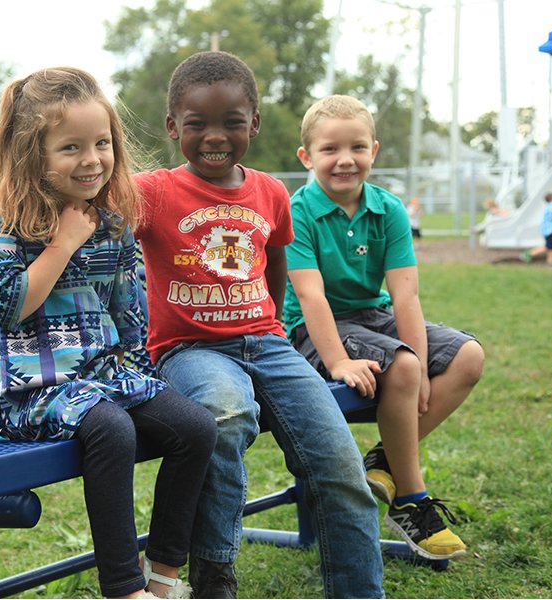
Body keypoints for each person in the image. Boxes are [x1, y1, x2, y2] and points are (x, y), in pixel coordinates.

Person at [0, 67, 217, 600]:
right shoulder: (11, 220)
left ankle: (162, 577)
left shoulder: (112, 220)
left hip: (102, 375)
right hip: (32, 389)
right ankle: (123, 588)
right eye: (71, 147)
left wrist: (143, 377)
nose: (92, 159)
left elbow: (126, 311)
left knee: (196, 428)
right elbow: (3, 310)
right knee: (111, 430)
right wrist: (63, 244)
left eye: (102, 143)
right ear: (33, 155)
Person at [134, 51, 384, 599]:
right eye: (197, 124)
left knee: (340, 464)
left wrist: (262, 326)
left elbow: (273, 267)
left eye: (232, 121)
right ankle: (215, 572)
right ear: (174, 126)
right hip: (188, 349)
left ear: (255, 123)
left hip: (267, 346)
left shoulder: (270, 192)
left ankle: (360, 591)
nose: (215, 135)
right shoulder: (152, 192)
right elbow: (91, 206)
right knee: (226, 412)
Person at [283, 94, 485, 561]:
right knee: (403, 364)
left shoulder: (388, 209)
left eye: (357, 147)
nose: (345, 159)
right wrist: (337, 360)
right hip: (316, 328)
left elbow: (405, 296)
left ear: (373, 151)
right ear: (306, 157)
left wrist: (418, 379)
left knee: (467, 356)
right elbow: (311, 299)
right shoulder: (298, 212)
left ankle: (385, 462)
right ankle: (411, 501)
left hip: (373, 316)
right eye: (330, 149)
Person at [521, 192, 552, 264]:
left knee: (551, 246)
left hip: (545, 229)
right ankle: (529, 253)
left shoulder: (547, 207)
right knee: (549, 246)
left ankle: (550, 260)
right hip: (551, 230)